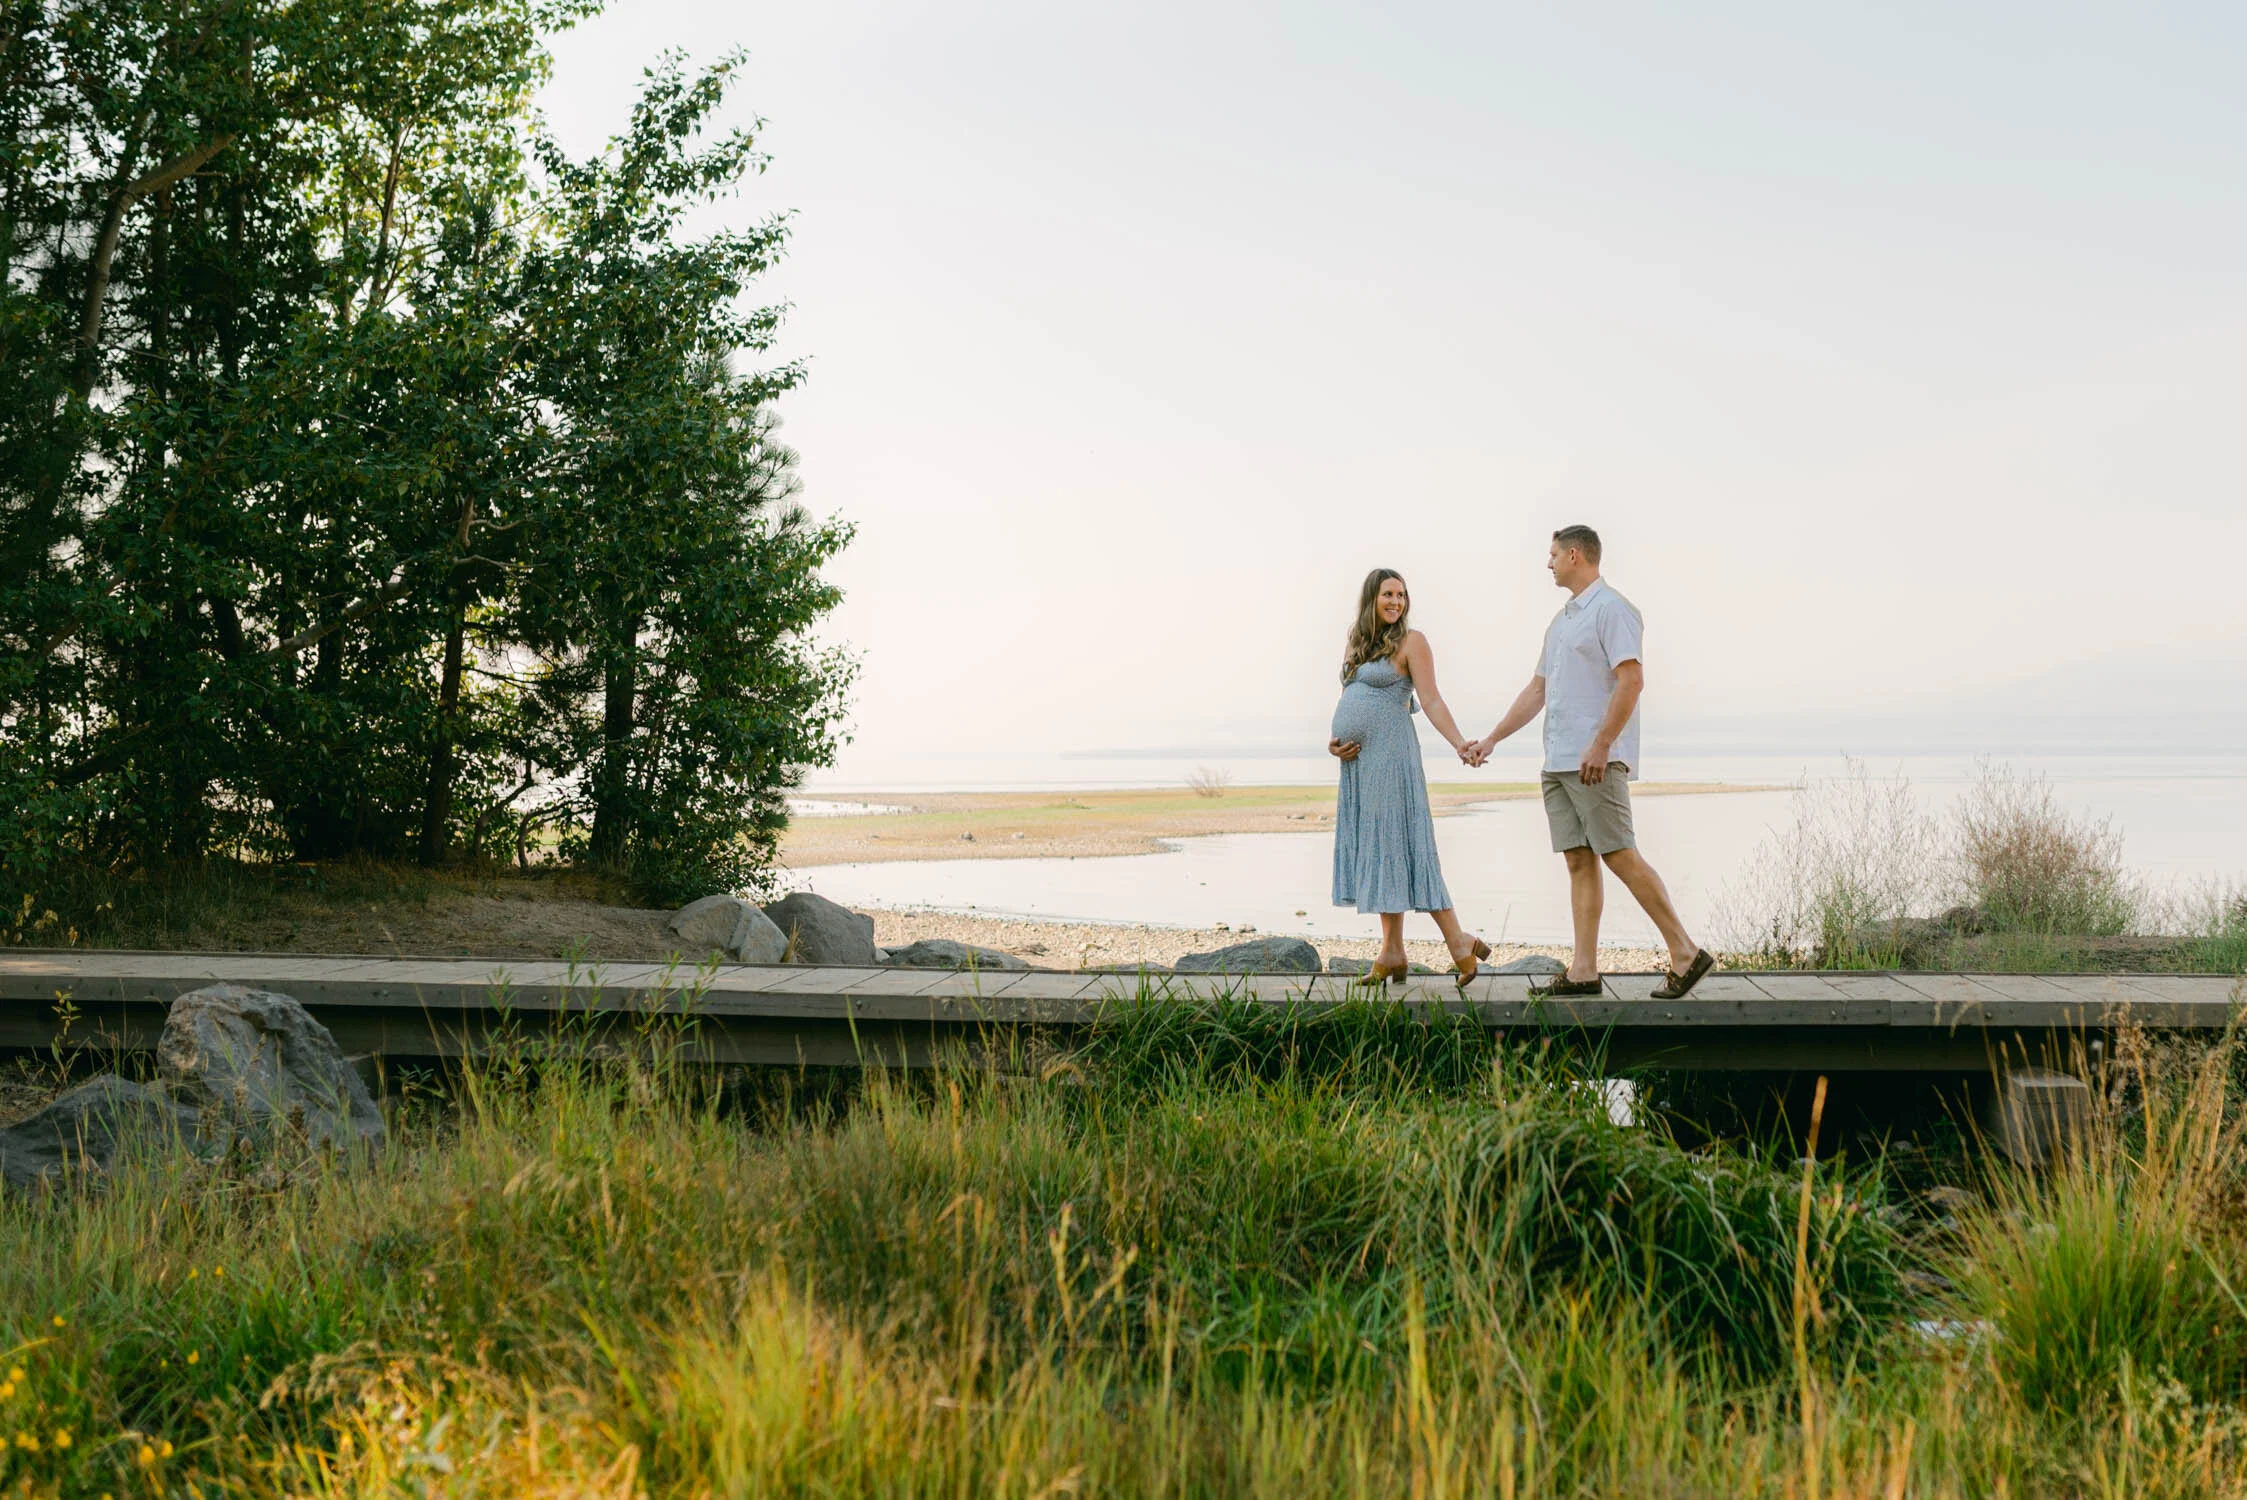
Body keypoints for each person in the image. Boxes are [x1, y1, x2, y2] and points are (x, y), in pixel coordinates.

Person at [1462, 526, 1714, 999]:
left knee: (1619, 852)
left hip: (1594, 759)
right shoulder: (1560, 622)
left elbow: (1631, 681)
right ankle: (1583, 971)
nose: (1548, 563)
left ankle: (1685, 952)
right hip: (1557, 760)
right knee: (1579, 860)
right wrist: (1493, 739)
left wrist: (1601, 745)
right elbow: (1537, 690)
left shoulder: (1613, 610)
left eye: (1553, 554)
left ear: (1575, 555)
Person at [1326, 568, 1492, 985]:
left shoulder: (1412, 642)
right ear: (1371, 599)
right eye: (1387, 594)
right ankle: (1393, 951)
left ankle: (1458, 942)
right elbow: (1348, 696)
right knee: (1383, 849)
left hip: (1392, 757)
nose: (1396, 602)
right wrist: (1335, 741)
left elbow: (1431, 699)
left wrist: (1459, 744)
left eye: (1401, 595)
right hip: (1360, 763)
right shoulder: (1357, 640)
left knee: (1405, 843)